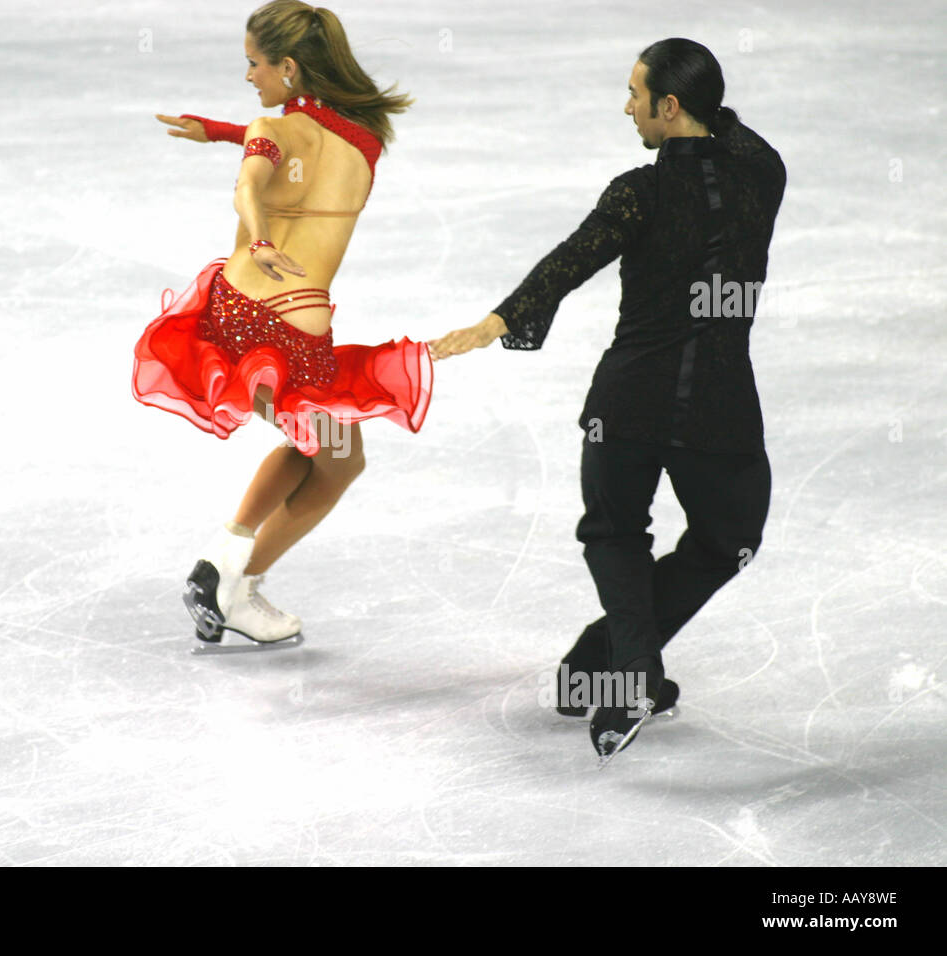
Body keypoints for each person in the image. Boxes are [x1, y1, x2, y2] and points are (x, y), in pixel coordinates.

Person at [429, 38, 786, 762]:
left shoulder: (639, 192)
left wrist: (497, 322)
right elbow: (735, 132)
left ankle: (615, 669)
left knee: (615, 533)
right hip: (718, 405)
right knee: (727, 538)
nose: (626, 108)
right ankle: (618, 671)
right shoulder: (762, 175)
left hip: (626, 404)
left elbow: (571, 259)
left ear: (670, 104)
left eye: (635, 94)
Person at [133, 1, 433, 647]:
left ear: (290, 68)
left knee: (320, 450)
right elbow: (274, 155)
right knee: (339, 460)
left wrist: (237, 165)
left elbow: (259, 167)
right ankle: (233, 582)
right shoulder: (367, 138)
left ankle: (226, 572)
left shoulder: (275, 128)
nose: (249, 77)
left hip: (246, 316)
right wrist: (228, 142)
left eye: (254, 64)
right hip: (285, 333)